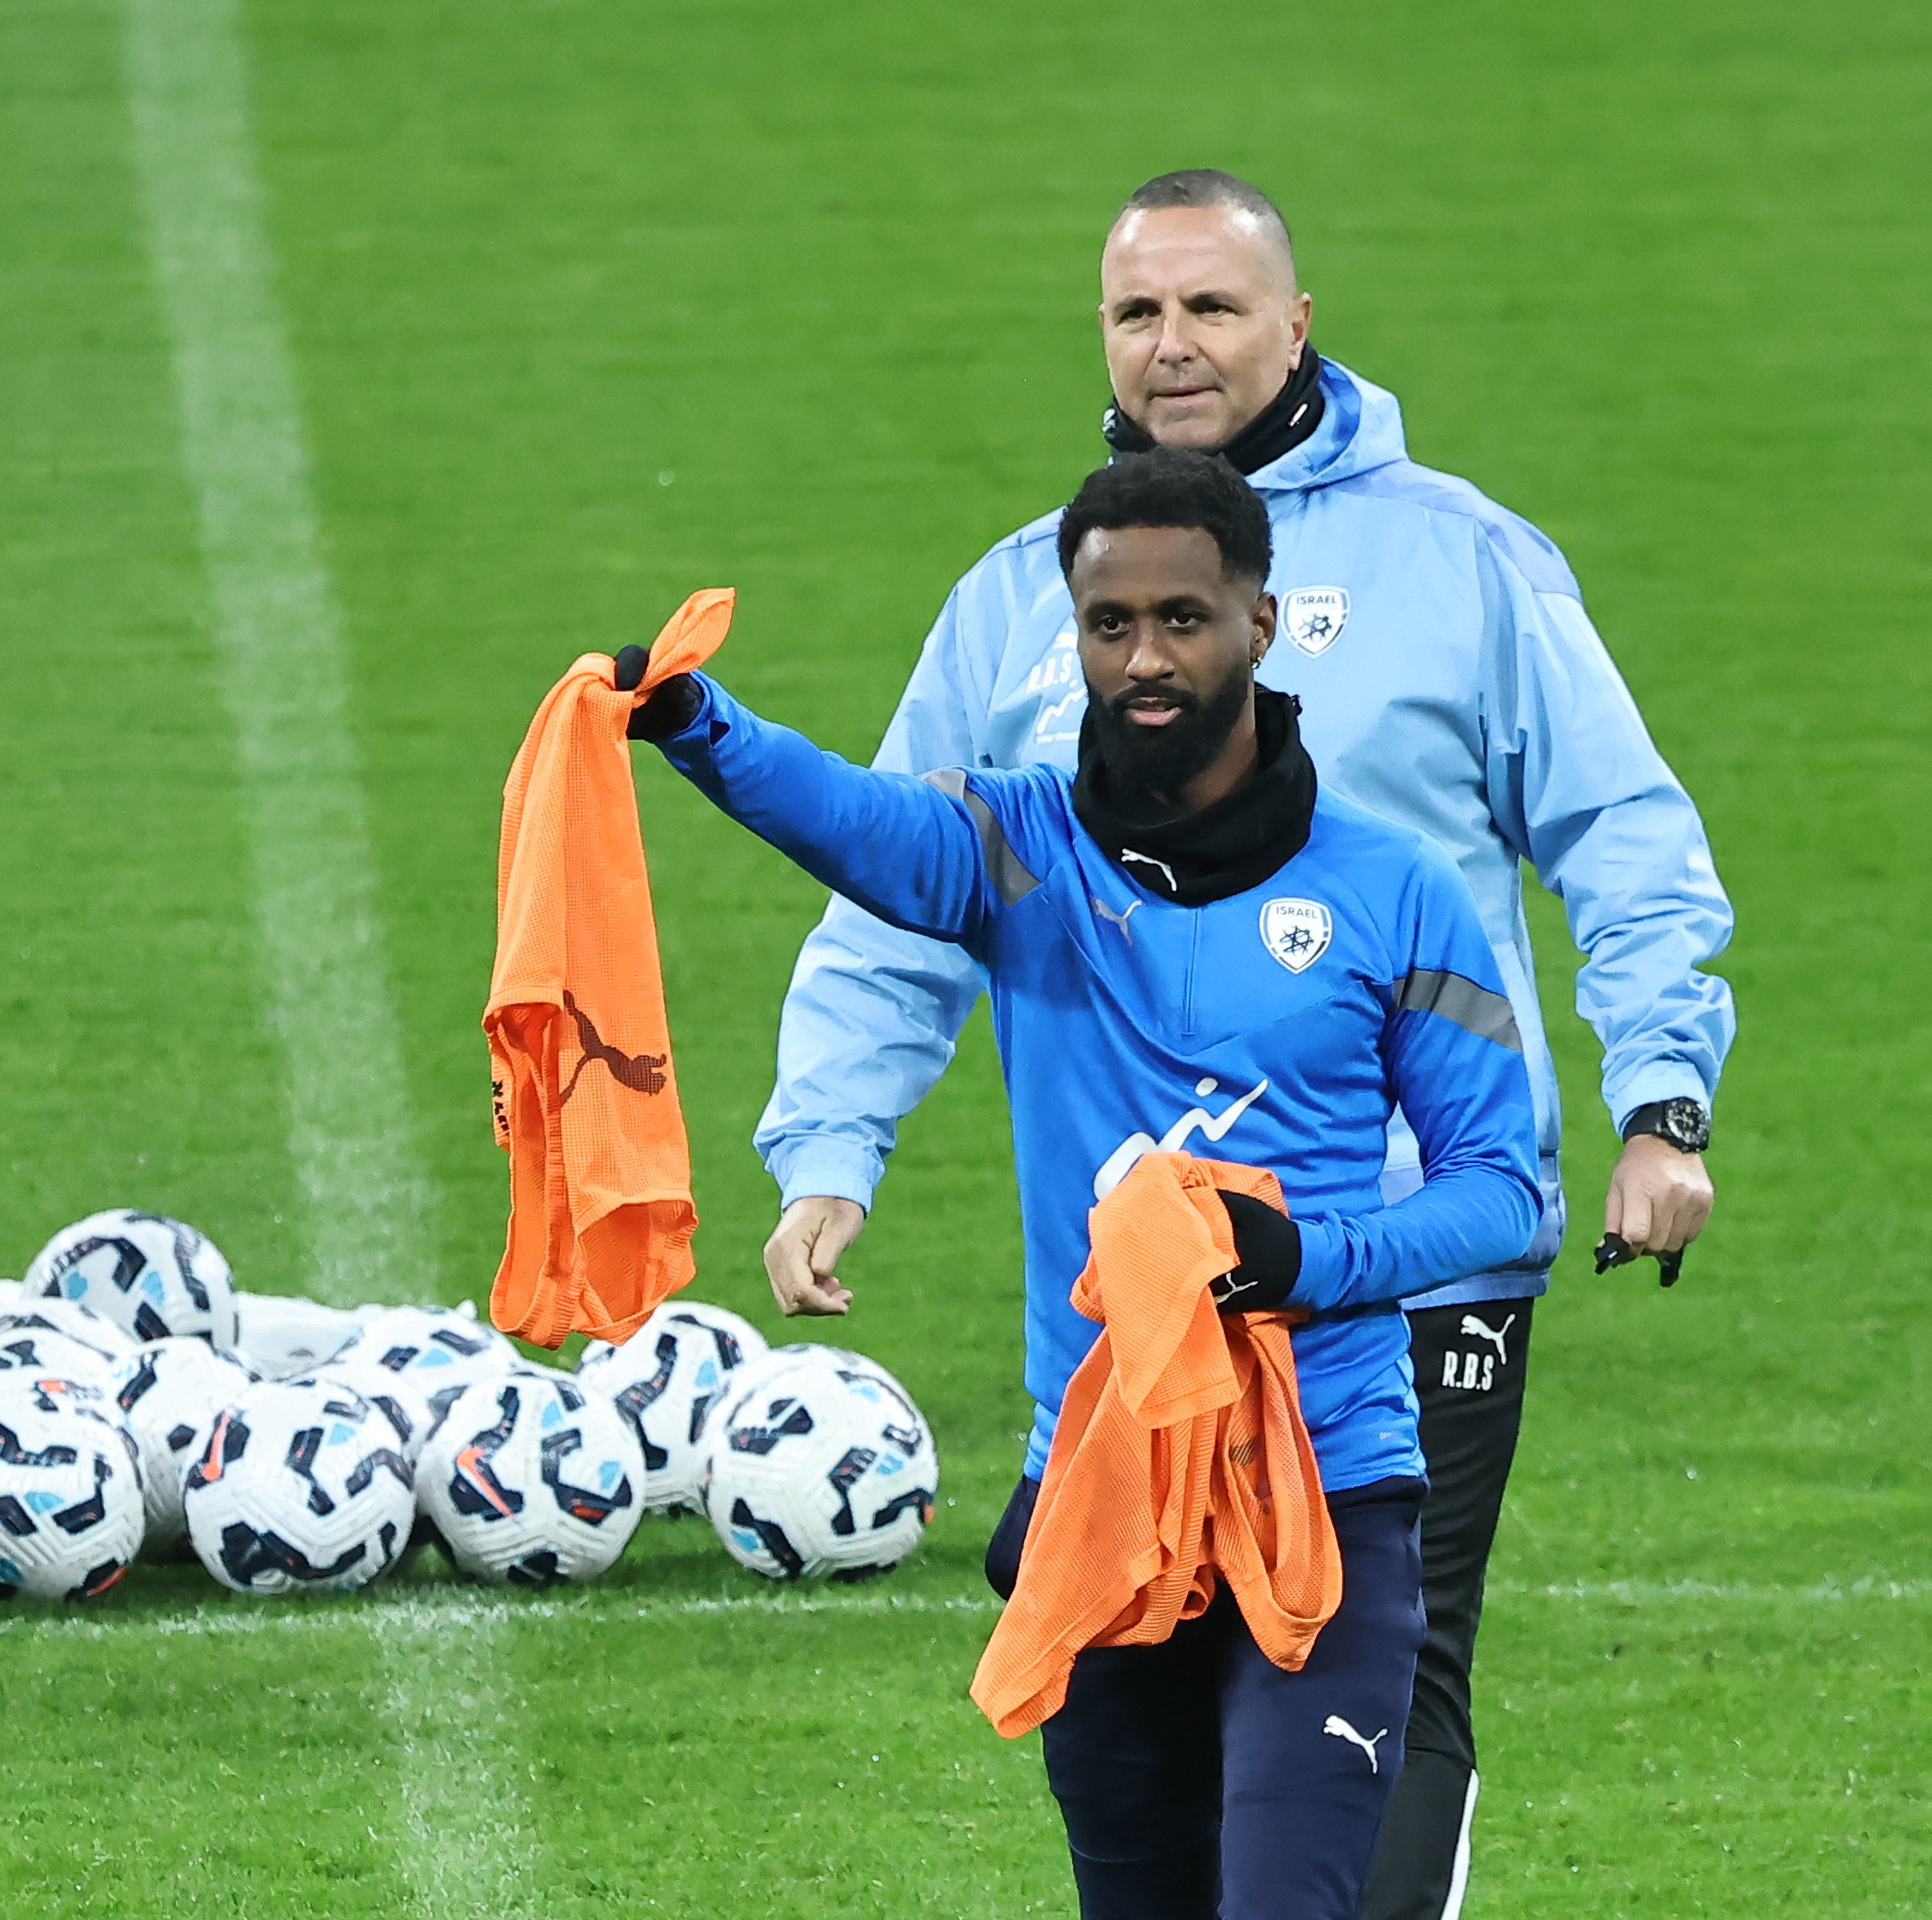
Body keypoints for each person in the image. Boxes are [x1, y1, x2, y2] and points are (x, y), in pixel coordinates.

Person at [755, 170, 1734, 1916]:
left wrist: (1662, 1100)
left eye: (1214, 306)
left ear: (1297, 323)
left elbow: (1627, 839)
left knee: (1378, 1687)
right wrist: (834, 1142)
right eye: (1140, 312)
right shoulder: (1026, 600)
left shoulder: (1465, 564)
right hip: (1139, 1303)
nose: (1176, 344)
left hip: (1402, 1263)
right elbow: (913, 875)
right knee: (1168, 1723)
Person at [621, 448, 1541, 1918]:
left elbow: (1509, 1193)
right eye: (1110, 624)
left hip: (1327, 1484)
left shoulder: (1393, 890)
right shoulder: (1016, 849)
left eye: (1184, 618)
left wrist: (1313, 1258)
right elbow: (857, 821)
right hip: (1103, 1499)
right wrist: (691, 722)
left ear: (1264, 617)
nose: (1146, 657)